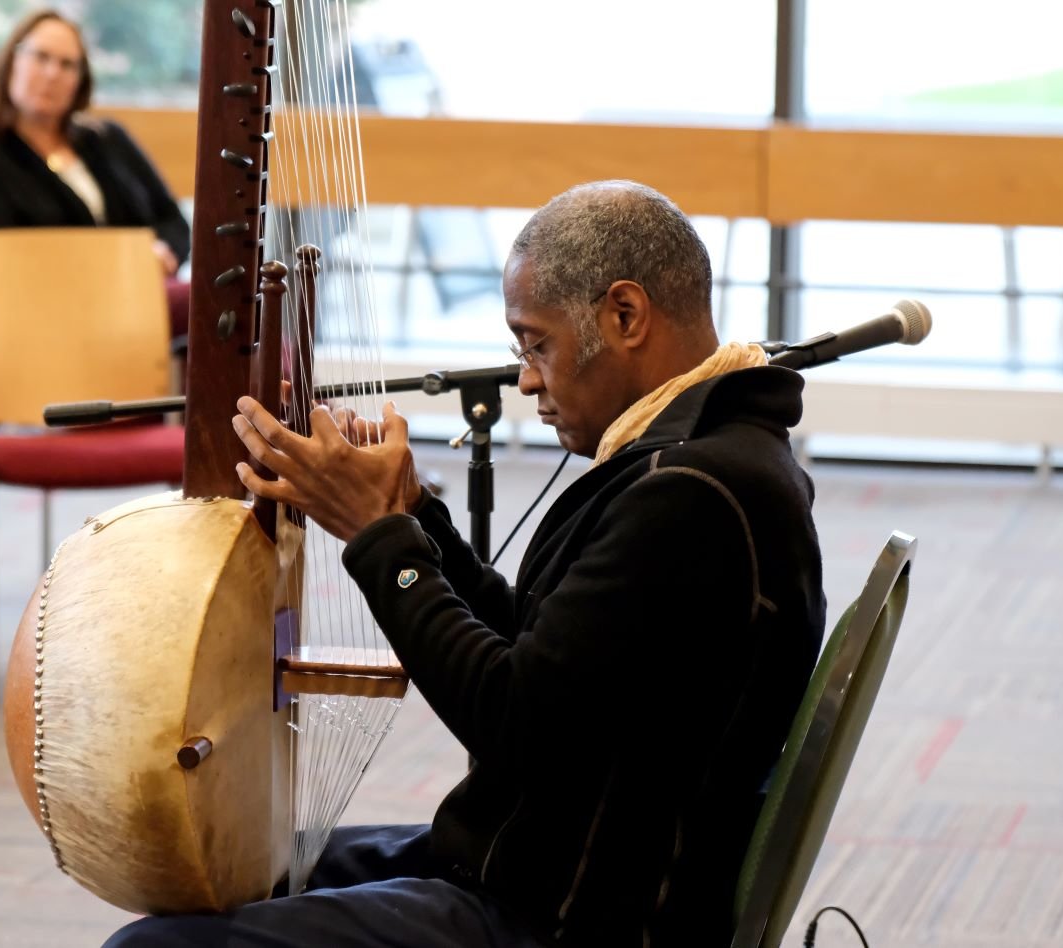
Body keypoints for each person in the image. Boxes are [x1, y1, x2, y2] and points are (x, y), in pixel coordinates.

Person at [104, 180, 827, 947]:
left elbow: (512, 723)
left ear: (625, 315)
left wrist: (379, 537)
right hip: (538, 859)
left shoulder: (692, 495)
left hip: (567, 917)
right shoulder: (712, 457)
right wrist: (412, 510)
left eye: (536, 343)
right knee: (230, 868)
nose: (527, 379)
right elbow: (543, 646)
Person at [0, 9, 192, 336]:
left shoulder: (109, 140)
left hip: (148, 297)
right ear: (12, 63)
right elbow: (2, 266)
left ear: (80, 81)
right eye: (41, 57)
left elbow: (173, 221)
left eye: (67, 65)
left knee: (229, 311)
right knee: (214, 306)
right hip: (56, 318)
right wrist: (128, 263)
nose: (52, 73)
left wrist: (163, 253)